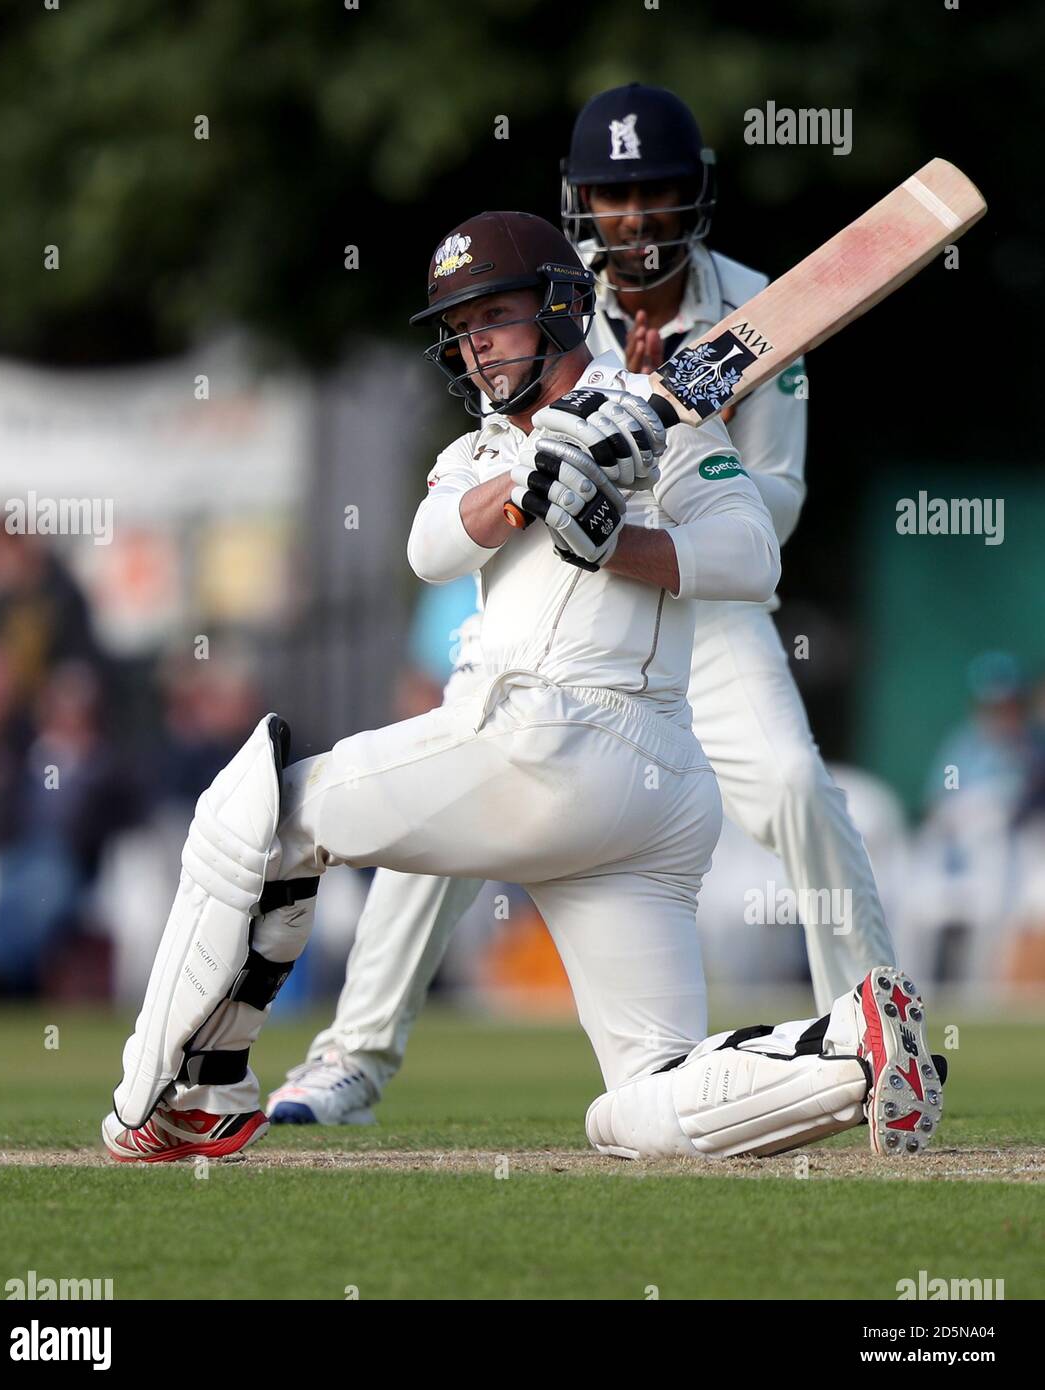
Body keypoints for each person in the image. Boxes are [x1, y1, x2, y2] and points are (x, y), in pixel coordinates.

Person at [103, 208, 941, 1165]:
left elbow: (751, 559)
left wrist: (617, 538)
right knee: (636, 1102)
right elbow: (427, 549)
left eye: (491, 318)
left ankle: (172, 1096)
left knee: (255, 810)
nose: (474, 348)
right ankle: (846, 1054)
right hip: (639, 803)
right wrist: (531, 482)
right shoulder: (479, 451)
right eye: (458, 330)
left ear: (559, 308)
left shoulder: (664, 425)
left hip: (565, 738)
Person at [267, 84, 896, 1127]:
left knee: (790, 782)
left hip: (692, 591)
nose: (635, 218)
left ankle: (874, 1033)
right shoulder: (549, 295)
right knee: (449, 778)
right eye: (613, 197)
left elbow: (772, 507)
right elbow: (490, 462)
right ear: (581, 207)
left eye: (653, 193)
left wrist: (688, 444)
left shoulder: (758, 308)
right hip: (553, 612)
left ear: (689, 195)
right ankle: (351, 1058)